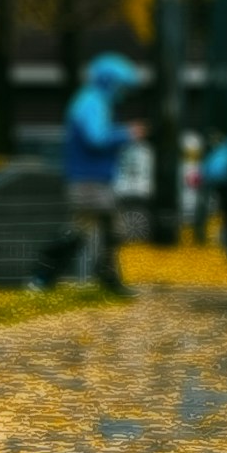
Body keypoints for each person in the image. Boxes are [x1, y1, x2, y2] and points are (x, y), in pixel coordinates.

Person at [61, 52, 145, 292]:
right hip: (89, 179)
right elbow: (96, 138)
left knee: (91, 229)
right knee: (100, 229)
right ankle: (43, 274)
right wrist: (126, 134)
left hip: (91, 179)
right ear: (110, 82)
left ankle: (106, 277)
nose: (123, 94)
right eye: (122, 87)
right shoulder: (93, 102)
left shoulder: (91, 100)